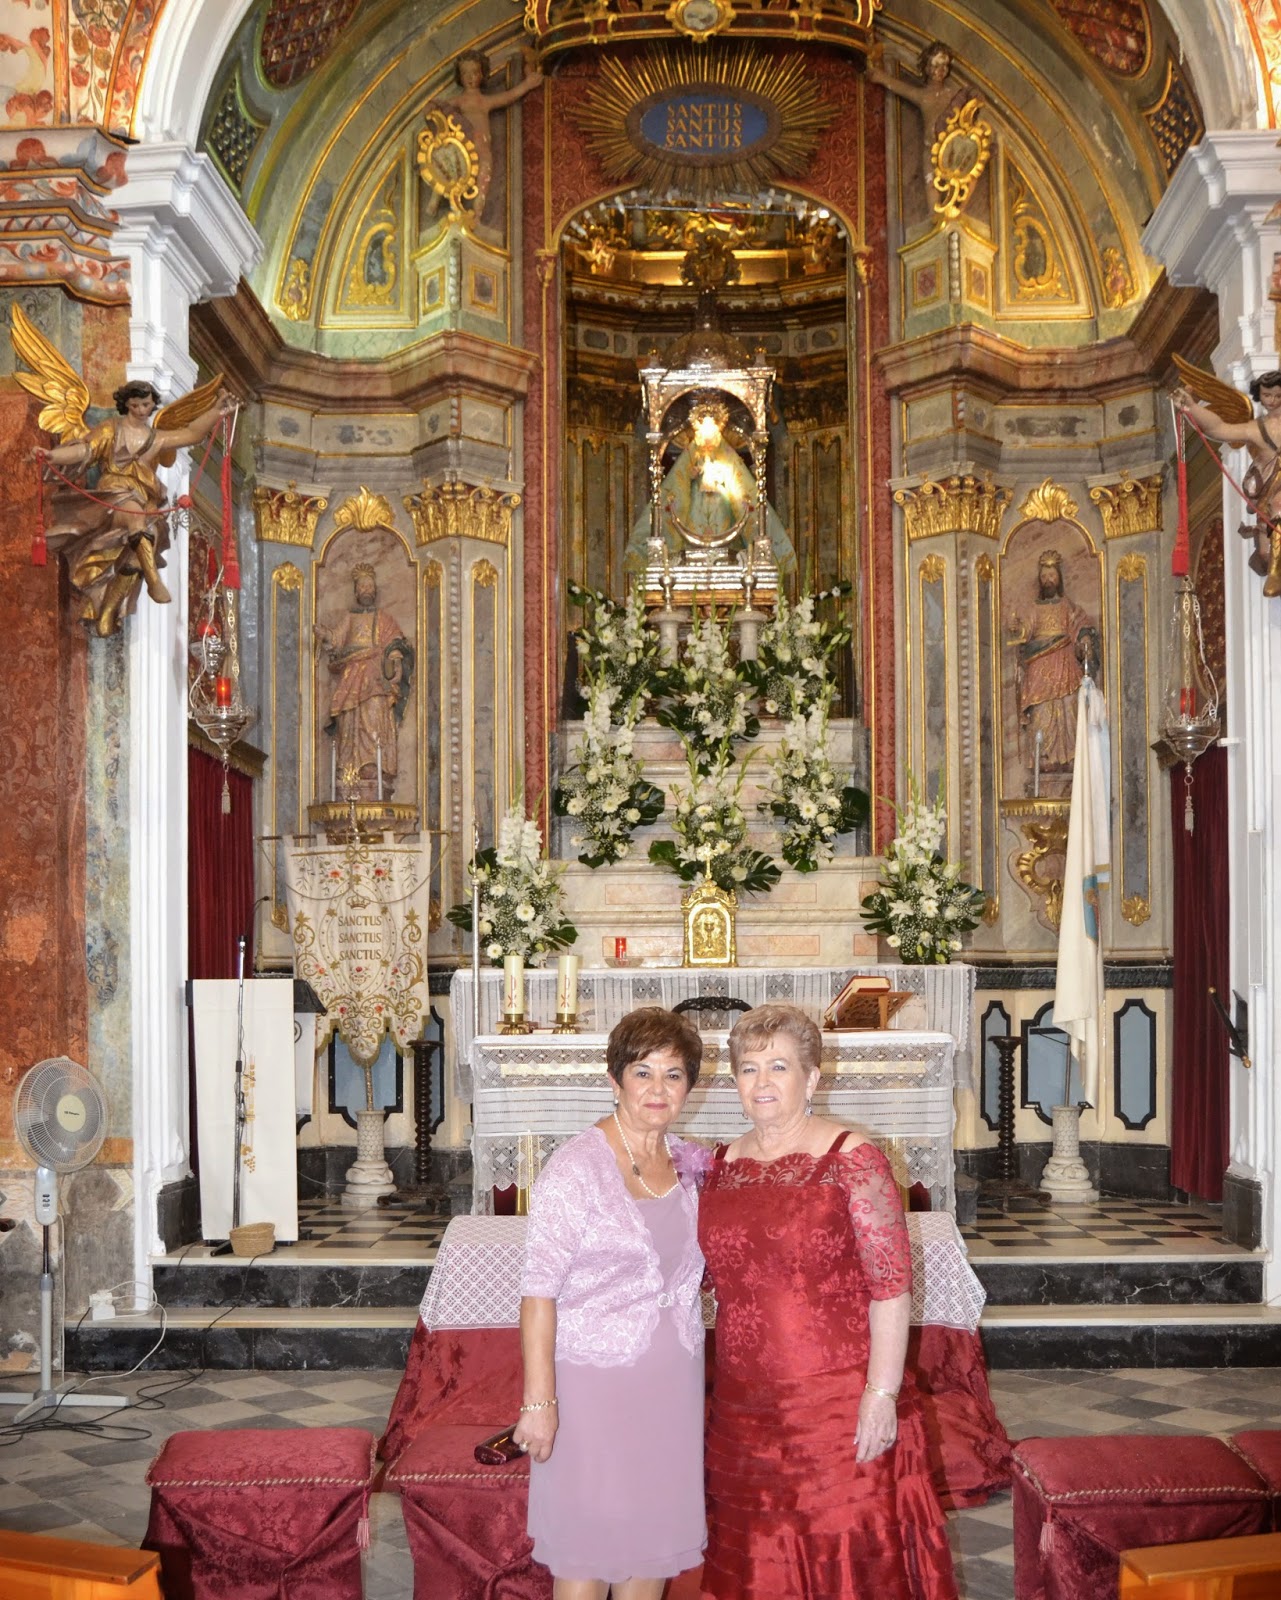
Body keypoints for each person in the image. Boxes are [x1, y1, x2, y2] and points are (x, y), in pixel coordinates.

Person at [698, 1003, 958, 1599]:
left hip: (833, 1405)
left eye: (779, 1067)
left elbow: (890, 1285)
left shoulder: (851, 1157)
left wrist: (881, 1395)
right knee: (756, 1564)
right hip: (742, 1408)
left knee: (841, 1556)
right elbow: (704, 1277)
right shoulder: (718, 1165)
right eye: (748, 1068)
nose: (762, 1082)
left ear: (812, 1078)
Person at [515, 1006, 709, 1598]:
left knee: (652, 1546)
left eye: (673, 1074)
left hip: (671, 1385)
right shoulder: (576, 1168)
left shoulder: (689, 1163)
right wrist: (540, 1402)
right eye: (642, 1072)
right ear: (614, 1079)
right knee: (587, 1553)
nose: (658, 1089)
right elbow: (538, 1293)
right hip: (592, 1389)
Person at [32, 380, 234, 637]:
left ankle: (108, 611)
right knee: (136, 521)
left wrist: (217, 411)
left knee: (141, 548)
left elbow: (192, 433)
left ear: (152, 404)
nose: (140, 410)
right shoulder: (111, 430)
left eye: (146, 405)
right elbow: (84, 451)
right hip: (115, 495)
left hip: (144, 501)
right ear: (126, 404)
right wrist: (52, 456)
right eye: (135, 405)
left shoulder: (156, 438)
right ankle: (154, 581)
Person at [624, 398, 796, 575]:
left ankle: (725, 556)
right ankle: (693, 555)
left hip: (721, 499)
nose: (707, 438)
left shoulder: (725, 454)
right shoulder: (692, 453)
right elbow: (680, 477)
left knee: (722, 520)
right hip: (696, 500)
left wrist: (722, 477)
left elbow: (738, 481)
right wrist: (692, 474)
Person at [1174, 371, 1281, 595]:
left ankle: (1275, 570)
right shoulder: (1257, 428)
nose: (1272, 400)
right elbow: (1219, 428)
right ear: (1260, 395)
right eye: (1267, 395)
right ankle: (1274, 569)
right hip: (1270, 488)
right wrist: (1192, 408)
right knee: (1272, 523)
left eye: (1277, 395)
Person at [316, 565, 413, 800]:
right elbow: (335, 640)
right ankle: (348, 766)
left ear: (375, 590)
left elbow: (396, 643)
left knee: (374, 716)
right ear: (356, 591)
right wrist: (326, 635)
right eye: (362, 586)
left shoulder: (384, 619)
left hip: (376, 679)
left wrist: (395, 662)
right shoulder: (349, 618)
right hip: (351, 677)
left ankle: (372, 765)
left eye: (370, 585)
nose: (367, 589)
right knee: (349, 719)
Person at [1004, 549, 1096, 781]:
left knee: (1068, 709)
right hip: (1039, 668)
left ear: (1059, 578)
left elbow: (1080, 626)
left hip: (1065, 663)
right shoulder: (1034, 608)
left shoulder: (1067, 606)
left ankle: (1069, 757)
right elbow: (1025, 631)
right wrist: (1017, 629)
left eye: (1051, 575)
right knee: (1042, 711)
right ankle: (1043, 757)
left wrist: (1085, 639)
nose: (1048, 580)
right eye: (1044, 576)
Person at [436, 48, 541, 217]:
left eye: (474, 72)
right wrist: (432, 106)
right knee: (452, 166)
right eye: (465, 73)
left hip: (482, 142)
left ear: (482, 74)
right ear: (459, 76)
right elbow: (440, 107)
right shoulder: (460, 101)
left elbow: (508, 96)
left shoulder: (484, 101)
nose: (470, 77)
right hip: (465, 141)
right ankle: (437, 197)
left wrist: (527, 84)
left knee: (486, 163)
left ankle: (479, 202)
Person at [865, 39, 969, 207]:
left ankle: (955, 212)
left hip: (952, 149)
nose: (940, 70)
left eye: (944, 65)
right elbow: (900, 87)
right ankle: (934, 216)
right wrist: (881, 78)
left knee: (960, 185)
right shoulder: (923, 96)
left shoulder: (953, 95)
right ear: (927, 68)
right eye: (936, 65)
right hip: (930, 150)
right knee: (931, 187)